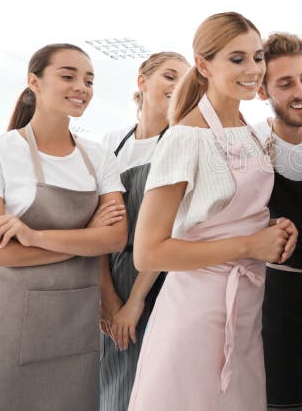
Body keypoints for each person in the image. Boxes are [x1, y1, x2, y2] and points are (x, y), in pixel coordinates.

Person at [127, 12, 299, 411]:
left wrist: (272, 227)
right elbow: (148, 253)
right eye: (237, 59)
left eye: (257, 57)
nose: (253, 69)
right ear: (203, 65)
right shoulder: (185, 138)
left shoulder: (247, 129)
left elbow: (218, 216)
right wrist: (250, 245)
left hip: (245, 307)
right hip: (197, 311)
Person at [0, 43, 127, 410]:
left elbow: (115, 237)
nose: (81, 87)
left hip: (72, 328)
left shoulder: (99, 156)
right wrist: (87, 239)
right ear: (34, 82)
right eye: (68, 76)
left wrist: (32, 236)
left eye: (89, 80)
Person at [98, 51, 190, 411]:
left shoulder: (181, 142)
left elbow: (173, 229)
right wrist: (107, 297)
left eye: (184, 80)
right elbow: (96, 227)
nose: (177, 86)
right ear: (142, 81)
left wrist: (135, 300)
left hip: (159, 278)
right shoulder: (111, 142)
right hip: (108, 272)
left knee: (151, 385)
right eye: (169, 76)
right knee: (109, 383)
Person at [252, 32, 302, 411]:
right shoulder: (249, 145)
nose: (301, 92)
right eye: (286, 83)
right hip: (272, 302)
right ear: (262, 91)